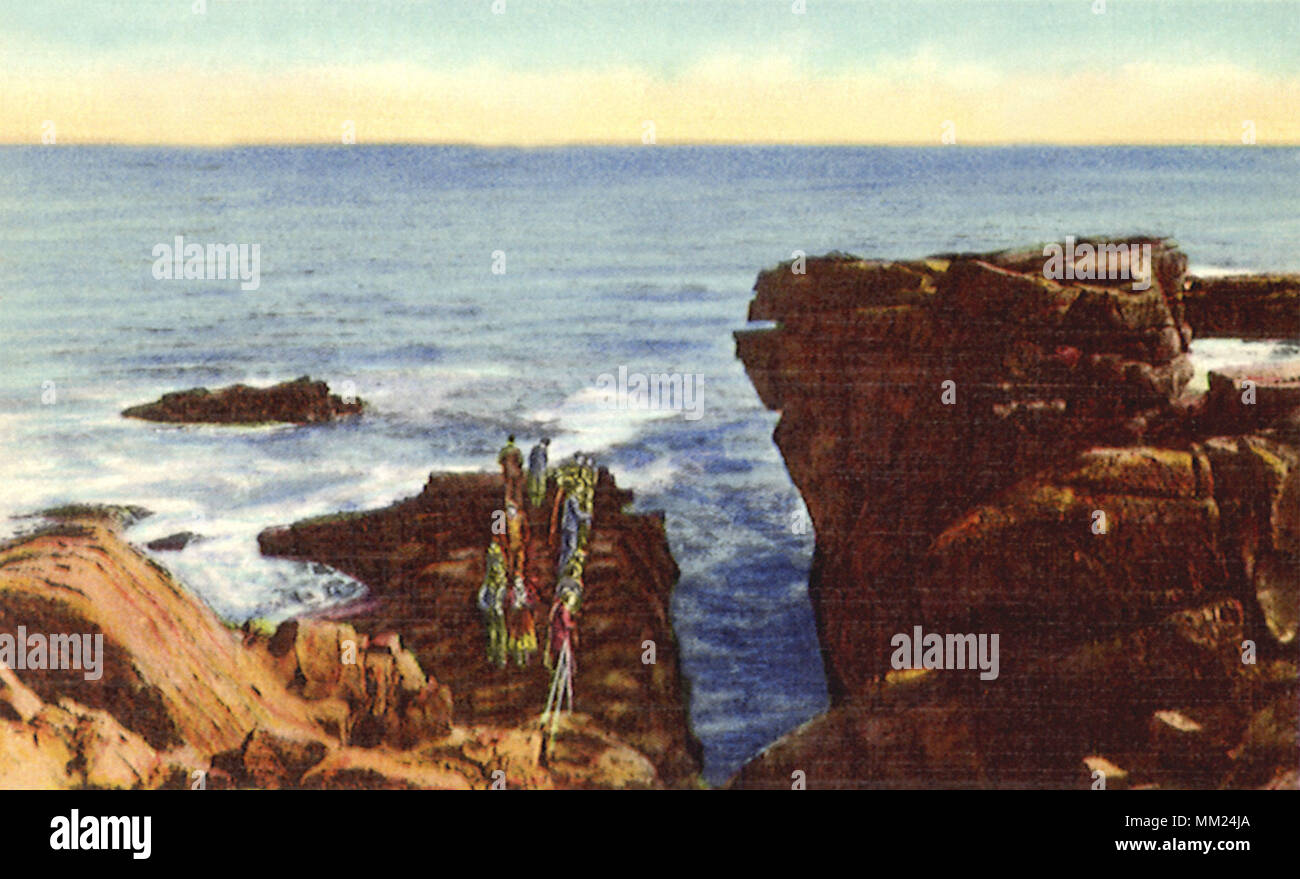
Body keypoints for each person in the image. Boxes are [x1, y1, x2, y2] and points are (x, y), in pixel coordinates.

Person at [476, 544, 508, 668]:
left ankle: (501, 656)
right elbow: (482, 595)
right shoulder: (489, 582)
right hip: (491, 611)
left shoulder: (501, 581)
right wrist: (485, 606)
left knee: (500, 633)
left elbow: (504, 592)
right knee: (491, 633)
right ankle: (491, 655)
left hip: (499, 611)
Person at [505, 575, 538, 667]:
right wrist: (514, 605)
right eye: (517, 582)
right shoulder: (512, 592)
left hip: (525, 616)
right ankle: (519, 659)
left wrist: (526, 604)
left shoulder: (527, 591)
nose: (518, 584)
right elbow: (508, 603)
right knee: (517, 637)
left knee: (526, 636)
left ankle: (527, 659)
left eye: (520, 581)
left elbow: (533, 602)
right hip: (516, 616)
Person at [557, 491, 592, 574]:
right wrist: (588, 516)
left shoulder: (568, 499)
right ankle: (563, 569)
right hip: (571, 528)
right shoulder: (573, 499)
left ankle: (560, 569)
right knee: (571, 548)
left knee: (564, 550)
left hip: (566, 526)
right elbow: (578, 515)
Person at [503, 501, 528, 583]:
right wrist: (505, 544)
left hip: (519, 543)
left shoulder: (520, 517)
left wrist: (524, 541)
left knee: (520, 560)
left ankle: (519, 576)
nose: (511, 510)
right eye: (509, 508)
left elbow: (526, 530)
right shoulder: (504, 518)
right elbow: (502, 533)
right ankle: (510, 578)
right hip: (510, 544)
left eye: (512, 507)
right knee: (510, 562)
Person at [497, 435, 525, 509]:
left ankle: (508, 505)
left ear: (508, 441)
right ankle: (519, 506)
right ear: (514, 441)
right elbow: (521, 461)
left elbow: (499, 461)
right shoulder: (517, 450)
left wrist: (505, 466)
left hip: (507, 472)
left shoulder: (504, 450)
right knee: (518, 489)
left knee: (509, 489)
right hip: (516, 472)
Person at [527, 437, 550, 508]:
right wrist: (531, 467)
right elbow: (530, 458)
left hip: (541, 471)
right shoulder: (535, 448)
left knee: (541, 488)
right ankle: (534, 504)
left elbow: (545, 460)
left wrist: (544, 468)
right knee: (533, 487)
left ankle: (539, 504)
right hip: (534, 470)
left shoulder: (545, 450)